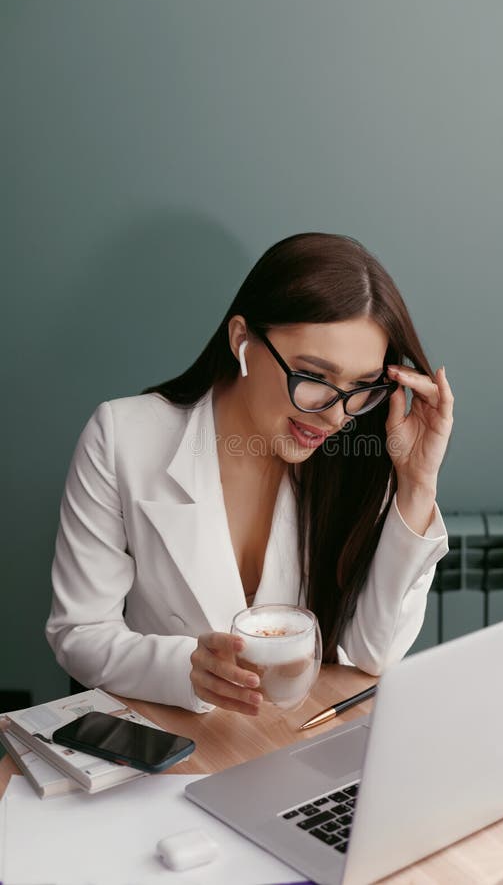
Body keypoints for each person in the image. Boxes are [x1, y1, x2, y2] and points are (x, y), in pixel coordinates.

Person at [46, 232, 453, 716]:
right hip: (172, 746)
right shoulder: (123, 437)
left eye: (362, 387)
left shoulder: (361, 461)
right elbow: (79, 633)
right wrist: (187, 668)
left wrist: (417, 483)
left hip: (287, 745)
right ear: (242, 340)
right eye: (315, 378)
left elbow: (375, 654)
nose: (335, 416)